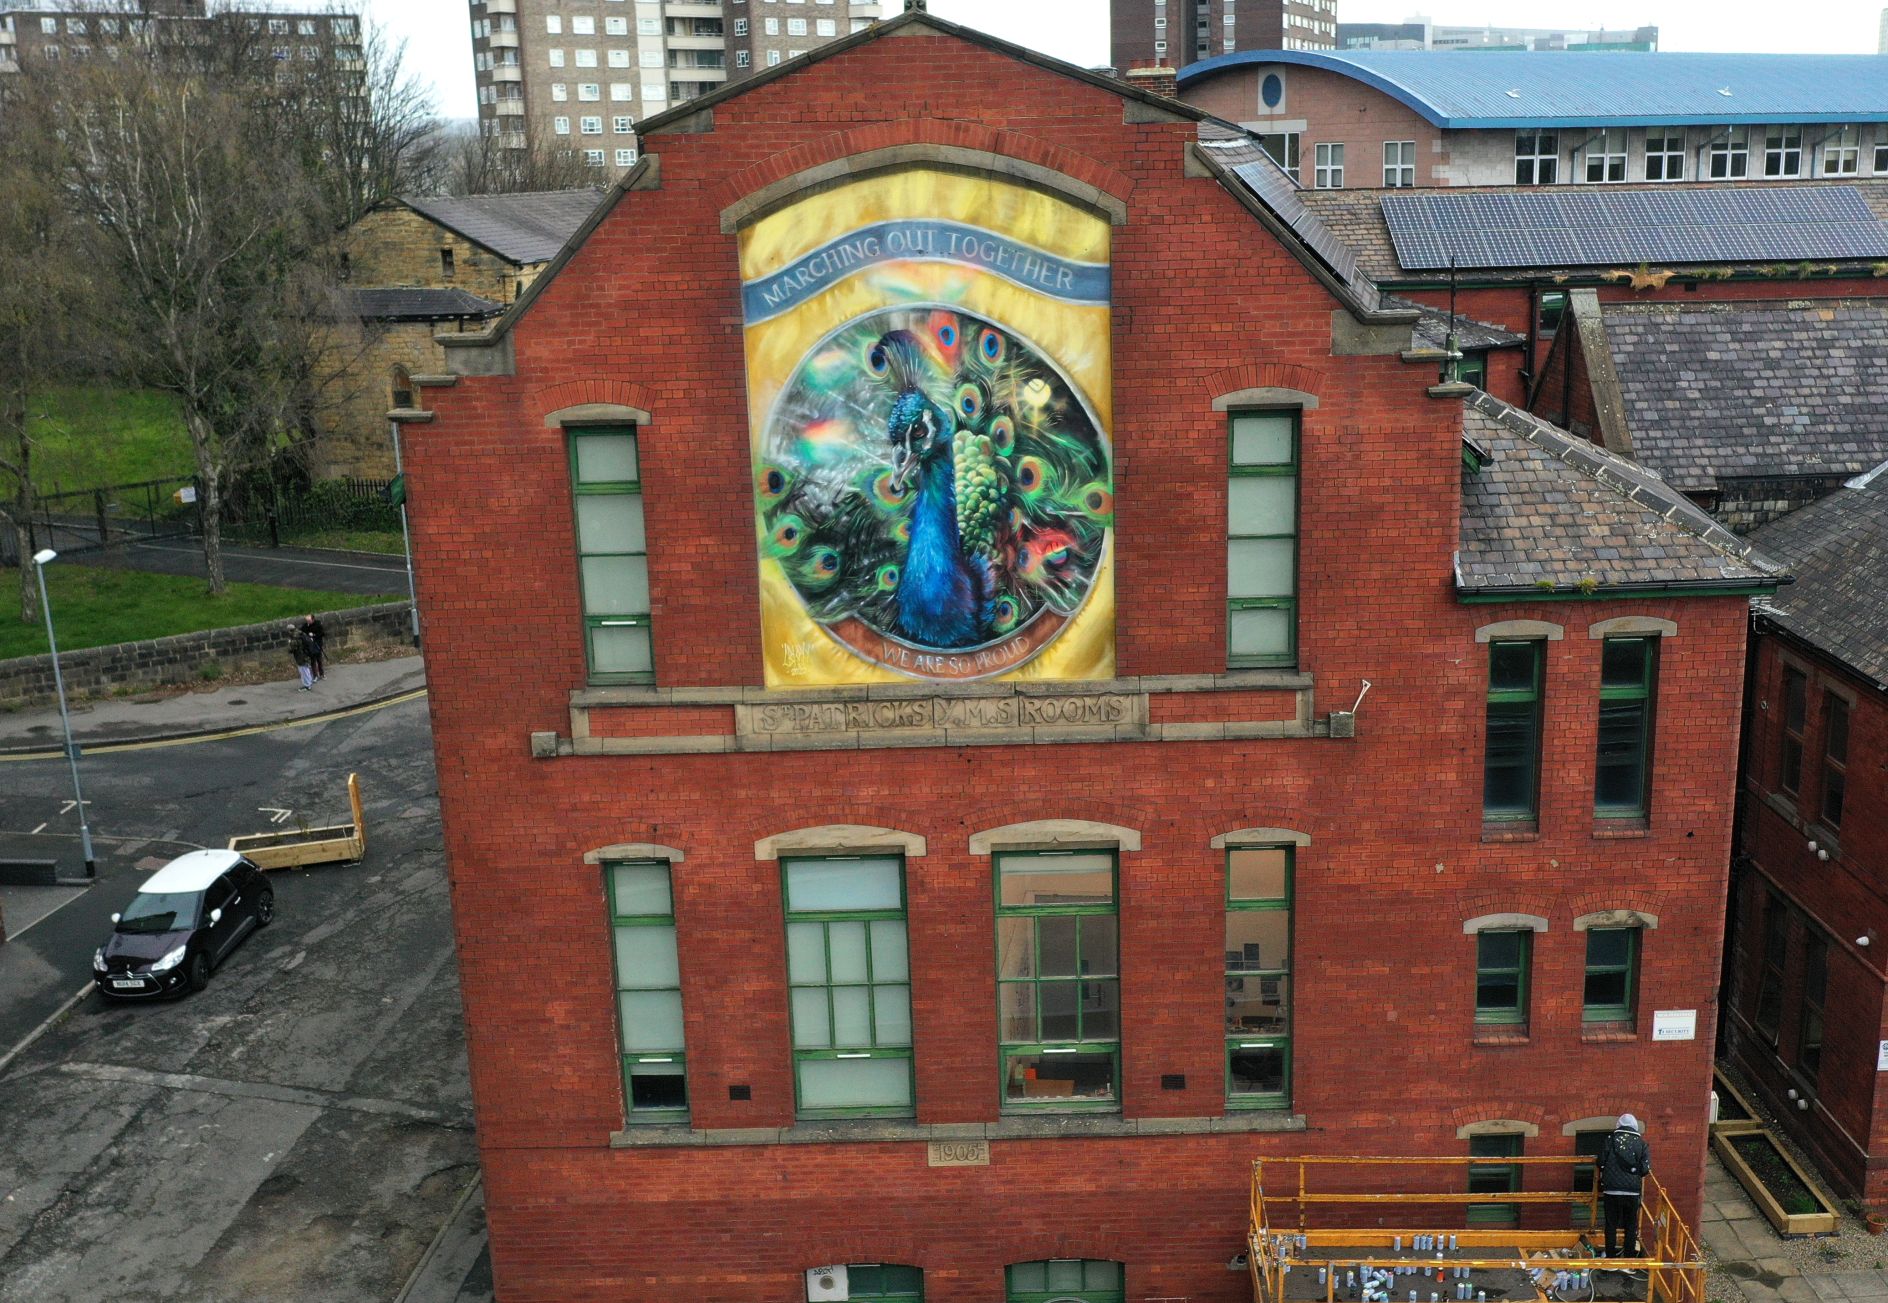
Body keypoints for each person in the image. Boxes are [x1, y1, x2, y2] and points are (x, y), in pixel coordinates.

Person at [1600, 1113, 1652, 1262]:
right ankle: (1629, 1260)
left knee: (1611, 1224)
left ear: (1619, 1125)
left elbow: (1600, 1161)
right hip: (1632, 1192)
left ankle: (1610, 1257)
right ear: (1634, 1127)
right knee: (1631, 1225)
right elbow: (1645, 1169)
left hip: (1611, 1191)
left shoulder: (1610, 1140)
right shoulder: (1641, 1144)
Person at [289, 622, 315, 691]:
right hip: (306, 654)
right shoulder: (300, 633)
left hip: (301, 656)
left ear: (290, 630)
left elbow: (292, 648)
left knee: (303, 671)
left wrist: (289, 643)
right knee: (306, 669)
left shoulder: (295, 636)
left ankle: (307, 685)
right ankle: (309, 682)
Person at [302, 613, 327, 681]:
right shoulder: (305, 626)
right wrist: (307, 635)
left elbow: (322, 633)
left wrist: (314, 635)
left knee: (319, 660)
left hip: (317, 644)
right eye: (307, 621)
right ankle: (315, 675)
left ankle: (322, 674)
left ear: (313, 619)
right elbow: (302, 633)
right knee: (313, 661)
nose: (308, 622)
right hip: (310, 646)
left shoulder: (318, 624)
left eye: (309, 620)